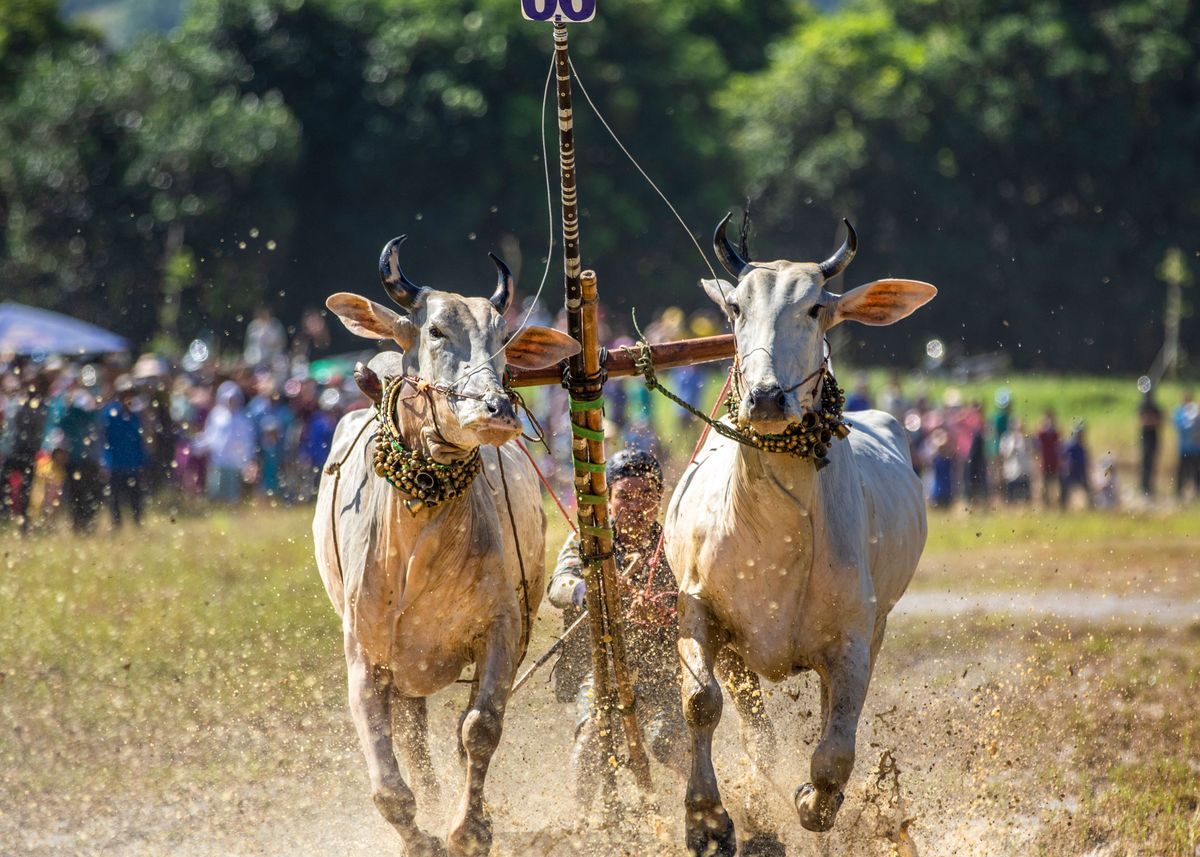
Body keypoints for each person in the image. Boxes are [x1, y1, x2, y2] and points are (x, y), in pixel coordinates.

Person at [546, 448, 684, 807]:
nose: (636, 506)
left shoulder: (678, 543)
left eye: (646, 495)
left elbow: (699, 600)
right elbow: (559, 585)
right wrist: (589, 592)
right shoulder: (590, 541)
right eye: (624, 496)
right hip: (601, 670)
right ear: (608, 499)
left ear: (660, 498)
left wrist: (667, 612)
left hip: (662, 673)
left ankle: (708, 805)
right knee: (592, 736)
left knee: (669, 741)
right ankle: (578, 822)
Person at [1, 366, 55, 532]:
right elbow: (10, 428)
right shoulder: (17, 402)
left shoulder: (42, 405)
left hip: (30, 452)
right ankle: (5, 519)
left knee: (27, 490)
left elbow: (41, 428)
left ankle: (24, 524)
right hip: (14, 451)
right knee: (4, 485)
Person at [194, 380, 256, 504]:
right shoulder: (216, 415)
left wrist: (248, 460)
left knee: (232, 495)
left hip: (234, 463)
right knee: (215, 492)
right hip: (218, 461)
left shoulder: (243, 418)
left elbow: (247, 440)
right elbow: (210, 435)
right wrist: (200, 445)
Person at [101, 376, 148, 527]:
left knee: (136, 498)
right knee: (114, 498)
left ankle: (137, 524)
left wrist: (143, 460)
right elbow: (103, 438)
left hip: (133, 462)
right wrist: (104, 461)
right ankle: (117, 526)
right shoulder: (110, 414)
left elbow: (141, 439)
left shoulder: (136, 414)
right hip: (115, 463)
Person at [998, 418, 1033, 504]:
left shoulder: (1026, 438)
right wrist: (1013, 446)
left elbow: (1030, 452)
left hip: (1024, 470)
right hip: (1011, 470)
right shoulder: (1006, 438)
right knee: (1011, 496)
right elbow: (1004, 454)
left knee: (1025, 496)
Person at [1173, 390, 1200, 501]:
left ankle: (1197, 491)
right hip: (1184, 448)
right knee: (1182, 470)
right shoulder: (1179, 412)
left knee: (1196, 471)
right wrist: (1190, 426)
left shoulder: (1196, 411)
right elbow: (1179, 425)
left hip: (1195, 449)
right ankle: (1179, 491)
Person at [1060, 422, 1092, 509]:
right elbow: (1064, 458)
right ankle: (1064, 509)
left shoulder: (1082, 446)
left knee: (1088, 492)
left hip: (1081, 473)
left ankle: (1090, 507)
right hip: (1070, 474)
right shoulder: (1070, 445)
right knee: (1065, 494)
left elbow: (1086, 460)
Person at [1138, 391, 1163, 498]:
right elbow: (1142, 421)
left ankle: (1150, 487)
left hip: (1153, 438)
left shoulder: (1156, 408)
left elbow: (1159, 422)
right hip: (1145, 439)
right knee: (1144, 463)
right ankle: (1144, 487)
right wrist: (1151, 420)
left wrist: (1150, 420)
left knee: (1152, 464)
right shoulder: (1142, 407)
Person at [1036, 409, 1062, 507]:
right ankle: (1045, 504)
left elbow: (1059, 446)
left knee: (1054, 484)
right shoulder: (1042, 433)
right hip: (1045, 462)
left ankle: (1054, 503)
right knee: (1044, 485)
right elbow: (1038, 447)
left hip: (1054, 462)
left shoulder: (1055, 433)